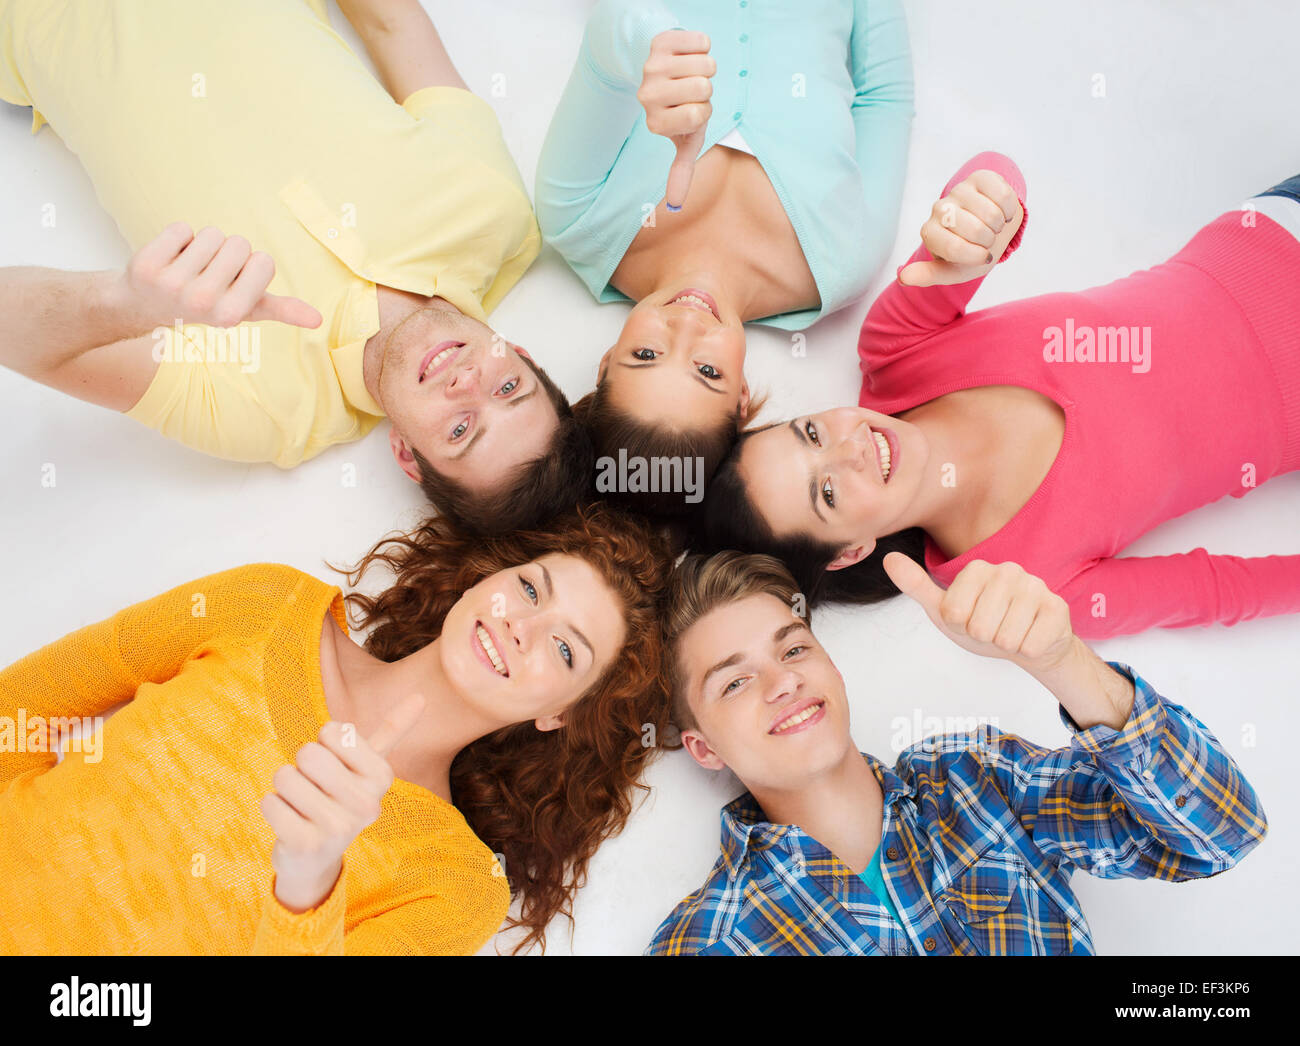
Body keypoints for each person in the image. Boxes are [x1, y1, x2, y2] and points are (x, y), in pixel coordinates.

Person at [0, 0, 591, 532]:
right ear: (525, 357)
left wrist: (121, 305)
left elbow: (13, 332)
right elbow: (392, 21)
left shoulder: (260, 409)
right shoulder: (497, 213)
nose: (468, 385)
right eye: (508, 386)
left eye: (460, 430)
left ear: (407, 454)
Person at [0, 504, 670, 955]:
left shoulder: (456, 885)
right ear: (485, 580)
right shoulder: (266, 605)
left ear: (558, 714)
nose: (523, 627)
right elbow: (22, 706)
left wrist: (307, 881)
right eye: (529, 589)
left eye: (565, 650)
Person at [700, 152, 1300, 636]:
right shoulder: (1025, 585)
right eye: (826, 491)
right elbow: (1216, 591)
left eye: (810, 433)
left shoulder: (894, 350)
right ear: (849, 552)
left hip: (1274, 228)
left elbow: (991, 180)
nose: (848, 447)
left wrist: (977, 213)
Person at [646, 550, 1267, 955]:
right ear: (703, 749)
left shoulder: (975, 779)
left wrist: (1061, 661)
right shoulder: (706, 942)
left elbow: (1222, 833)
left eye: (794, 649)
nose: (784, 682)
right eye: (735, 681)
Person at [535, 0, 913, 515]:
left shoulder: (576, 218)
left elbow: (608, 38)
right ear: (741, 397)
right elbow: (883, 98)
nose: (687, 326)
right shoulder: (843, 262)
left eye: (645, 355)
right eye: (708, 371)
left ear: (604, 365)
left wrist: (656, 47)